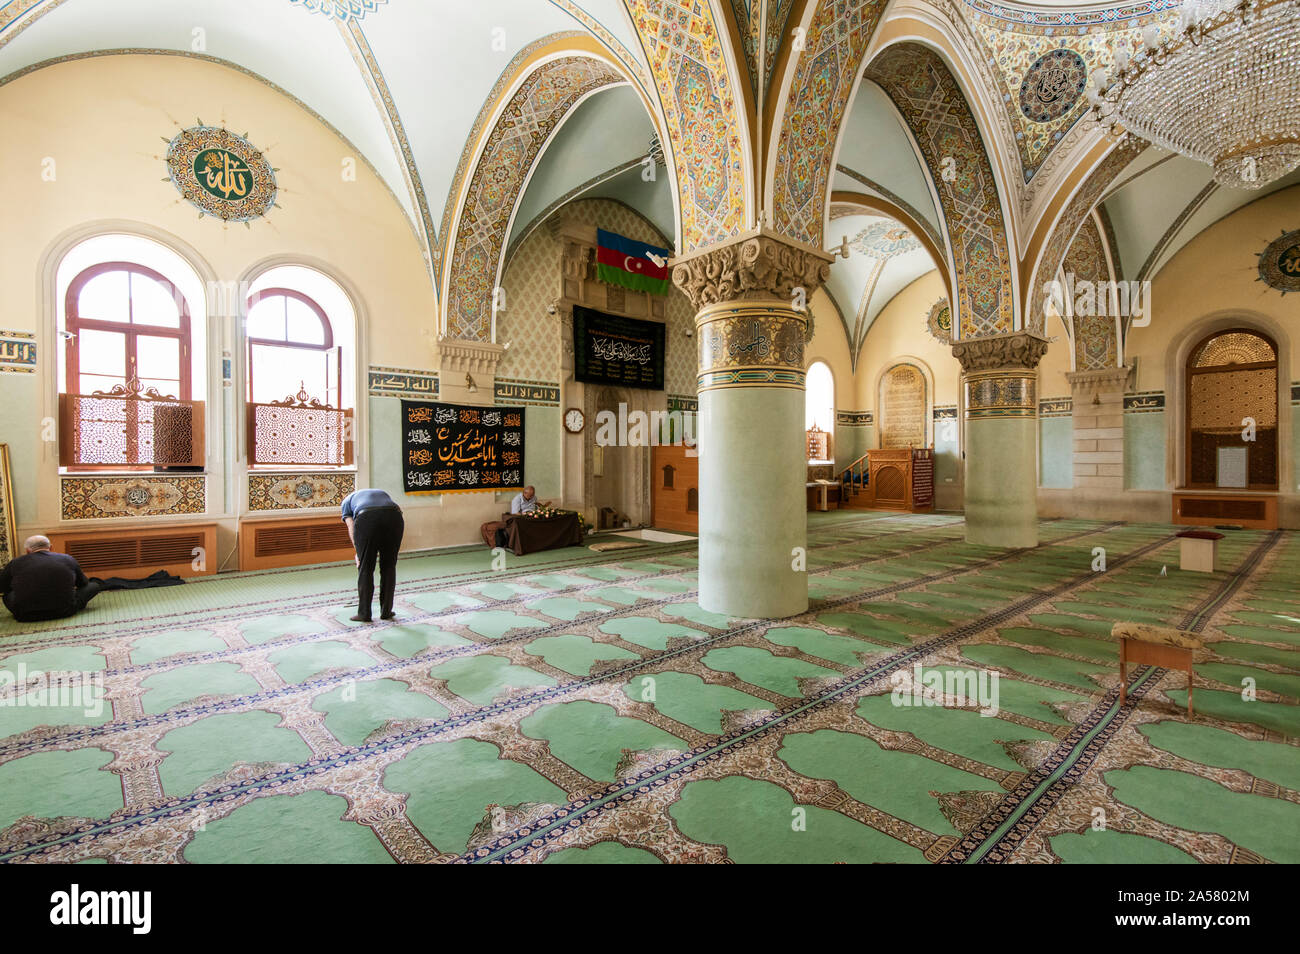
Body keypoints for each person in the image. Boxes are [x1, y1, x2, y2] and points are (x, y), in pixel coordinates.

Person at [0, 535, 101, 622]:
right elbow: (83, 583)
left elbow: (3, 587)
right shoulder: (67, 558)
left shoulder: (15, 562)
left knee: (7, 594)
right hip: (65, 611)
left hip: (24, 615)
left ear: (27, 551)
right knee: (94, 586)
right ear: (51, 547)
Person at [340, 488, 404, 623]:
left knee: (366, 568)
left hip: (367, 518)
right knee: (389, 567)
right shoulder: (381, 493)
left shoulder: (346, 502)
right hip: (395, 517)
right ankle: (386, 611)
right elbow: (398, 510)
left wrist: (359, 554)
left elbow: (351, 526)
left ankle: (364, 614)